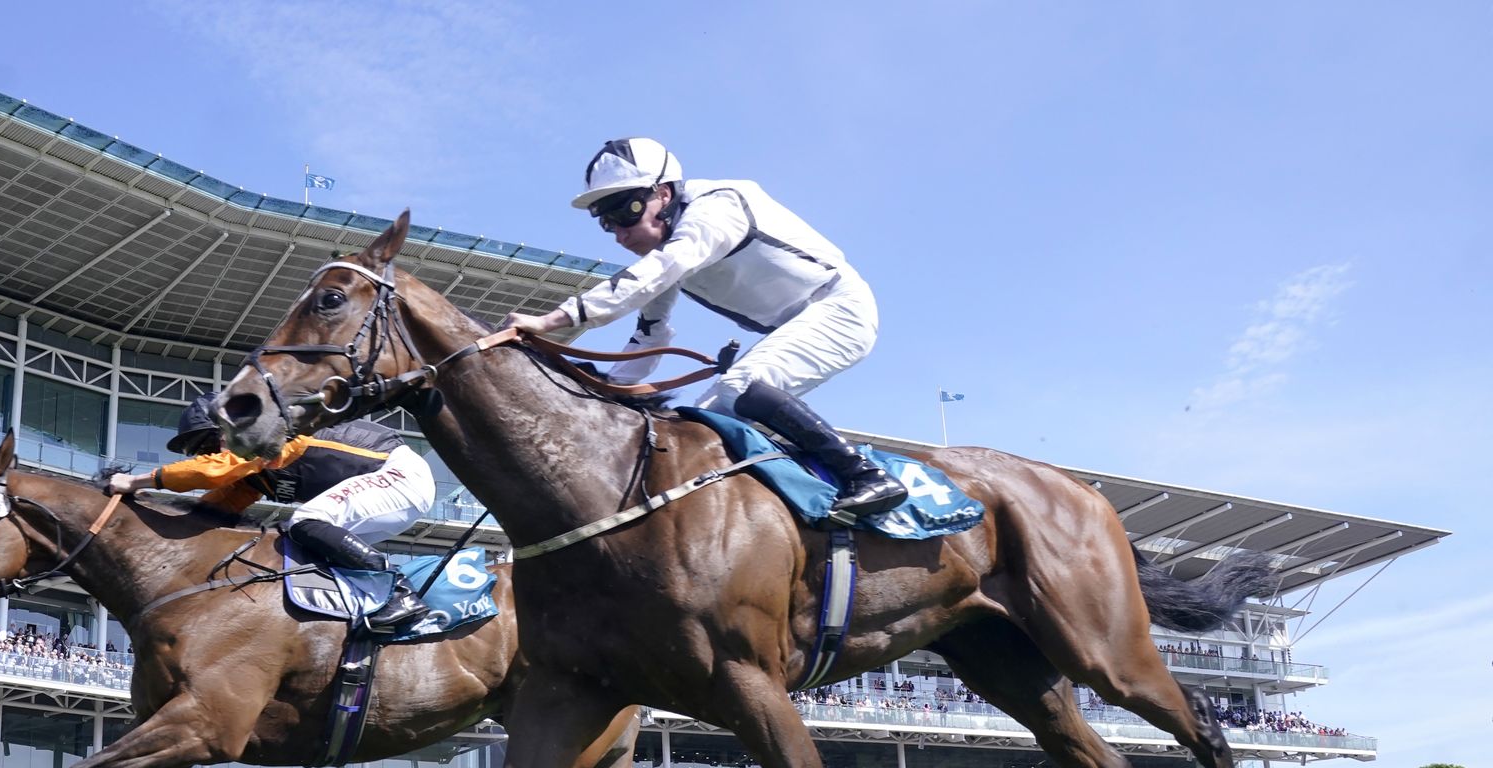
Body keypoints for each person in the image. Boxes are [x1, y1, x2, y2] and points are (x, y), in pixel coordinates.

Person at [503, 137, 906, 519]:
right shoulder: (668, 250)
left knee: (740, 389)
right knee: (695, 429)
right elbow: (650, 336)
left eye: (626, 211)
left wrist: (552, 320)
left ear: (663, 193)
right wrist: (596, 394)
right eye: (607, 222)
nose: (621, 232)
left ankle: (866, 475)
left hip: (840, 308)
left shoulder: (715, 209)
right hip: (800, 322)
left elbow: (661, 271)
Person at [107, 394, 437, 630]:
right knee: (299, 541)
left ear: (229, 428)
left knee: (306, 521)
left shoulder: (270, 434)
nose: (206, 456)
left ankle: (398, 591)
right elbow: (207, 513)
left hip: (398, 474)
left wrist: (136, 482)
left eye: (208, 446)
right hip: (386, 491)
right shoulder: (253, 479)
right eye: (199, 453)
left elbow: (214, 471)